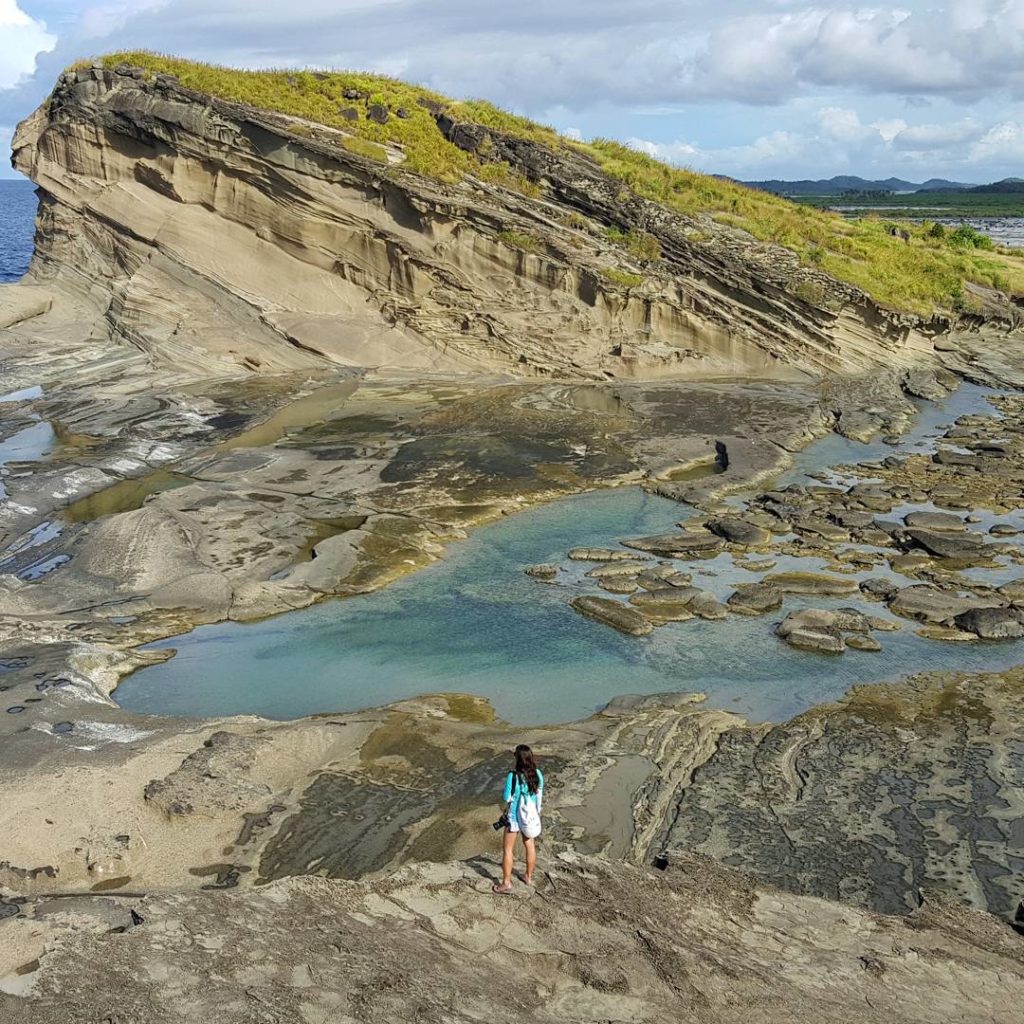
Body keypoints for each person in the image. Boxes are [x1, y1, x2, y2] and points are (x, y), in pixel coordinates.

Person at [492, 744, 543, 894]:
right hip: (529, 817)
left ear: (517, 759)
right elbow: (539, 798)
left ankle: (506, 882)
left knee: (508, 850)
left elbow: (506, 797)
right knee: (530, 846)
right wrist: (536, 813)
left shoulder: (513, 776)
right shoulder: (538, 774)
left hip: (514, 818)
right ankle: (528, 877)